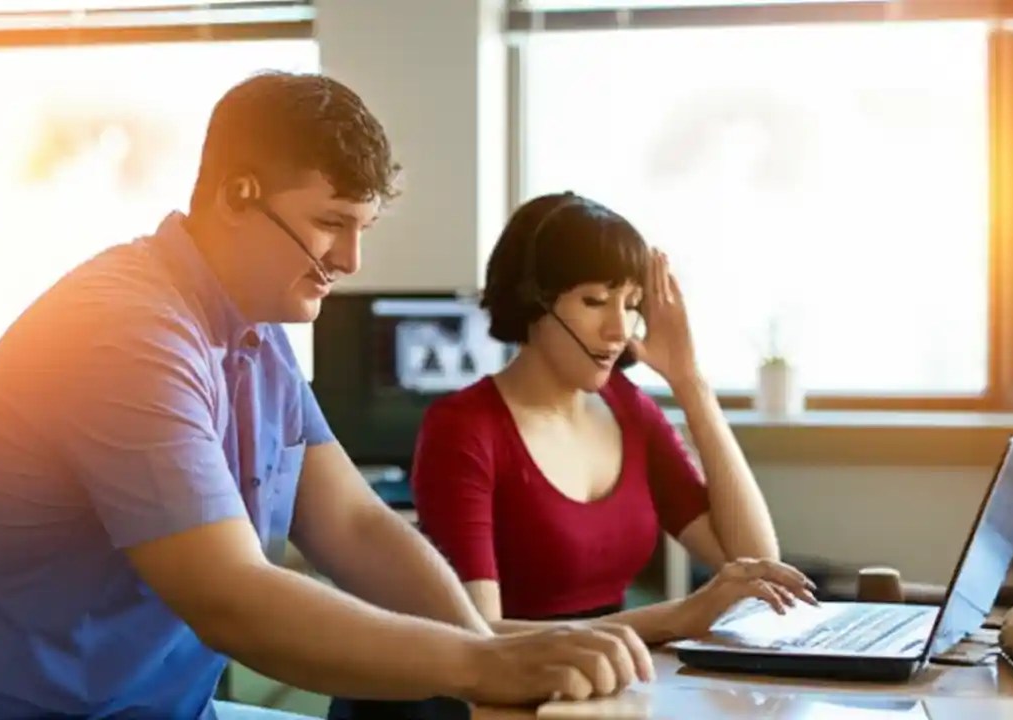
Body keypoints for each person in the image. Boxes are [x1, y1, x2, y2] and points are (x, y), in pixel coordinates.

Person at [0, 75, 658, 720]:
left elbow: (352, 524)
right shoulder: (123, 333)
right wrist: (479, 667)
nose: (351, 259)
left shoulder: (254, 332)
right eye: (330, 224)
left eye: (365, 228)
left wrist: (489, 657)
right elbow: (233, 599)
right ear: (234, 196)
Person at [326, 192, 818, 720]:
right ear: (534, 302)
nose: (620, 329)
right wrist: (680, 617)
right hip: (475, 705)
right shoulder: (464, 428)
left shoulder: (631, 410)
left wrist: (690, 380)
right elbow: (479, 633)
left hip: (590, 690)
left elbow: (756, 566)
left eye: (631, 304)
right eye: (595, 301)